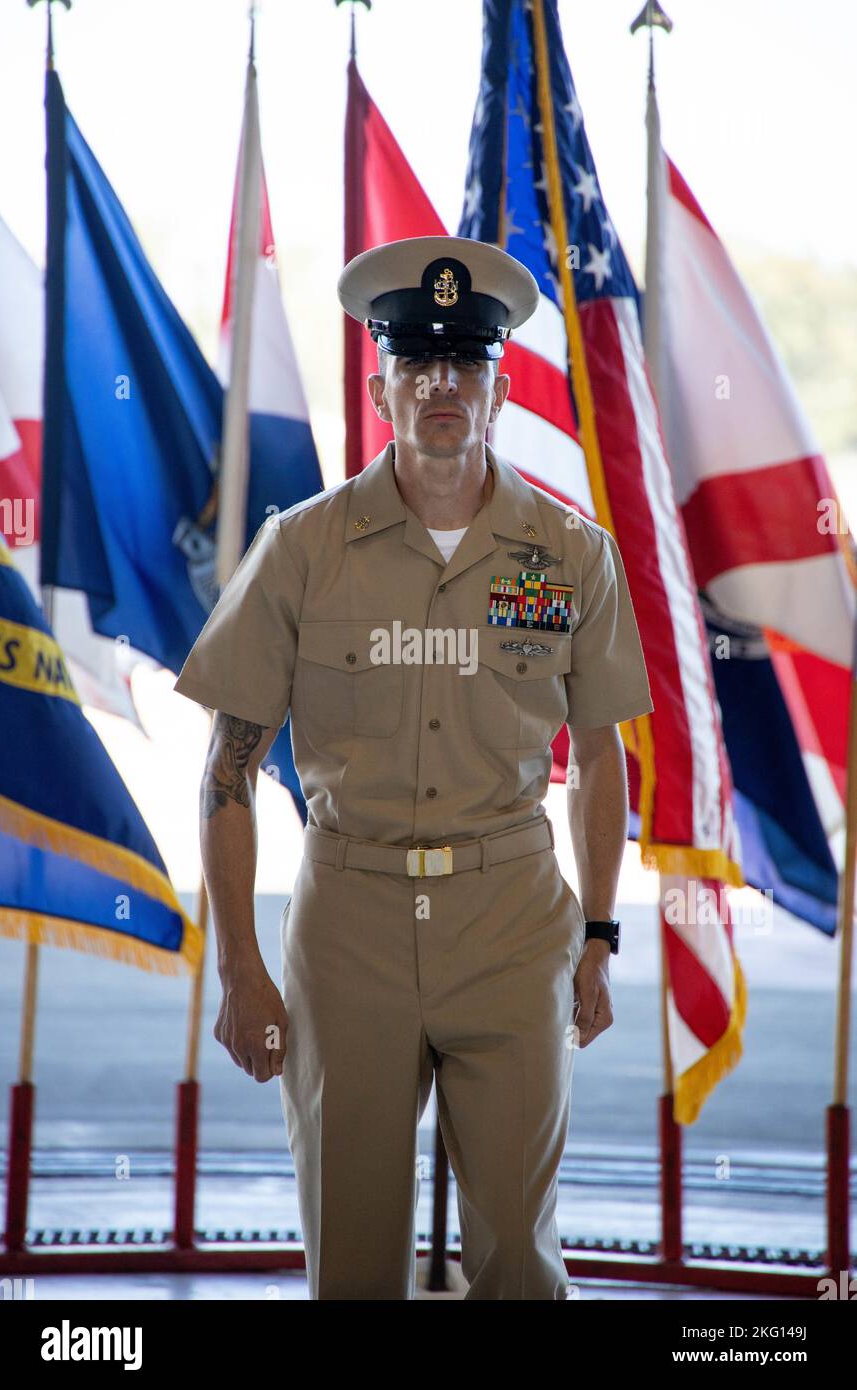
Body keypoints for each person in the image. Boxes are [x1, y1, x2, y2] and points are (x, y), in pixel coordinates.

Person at [173, 234, 654, 1300]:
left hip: (510, 918)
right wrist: (240, 966)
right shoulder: (300, 548)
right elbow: (227, 769)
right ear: (383, 385)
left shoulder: (570, 553)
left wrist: (598, 939)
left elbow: (602, 755)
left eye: (465, 363)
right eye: (418, 362)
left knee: (518, 1264)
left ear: (498, 386)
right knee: (350, 1259)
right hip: (347, 927)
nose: (442, 383)